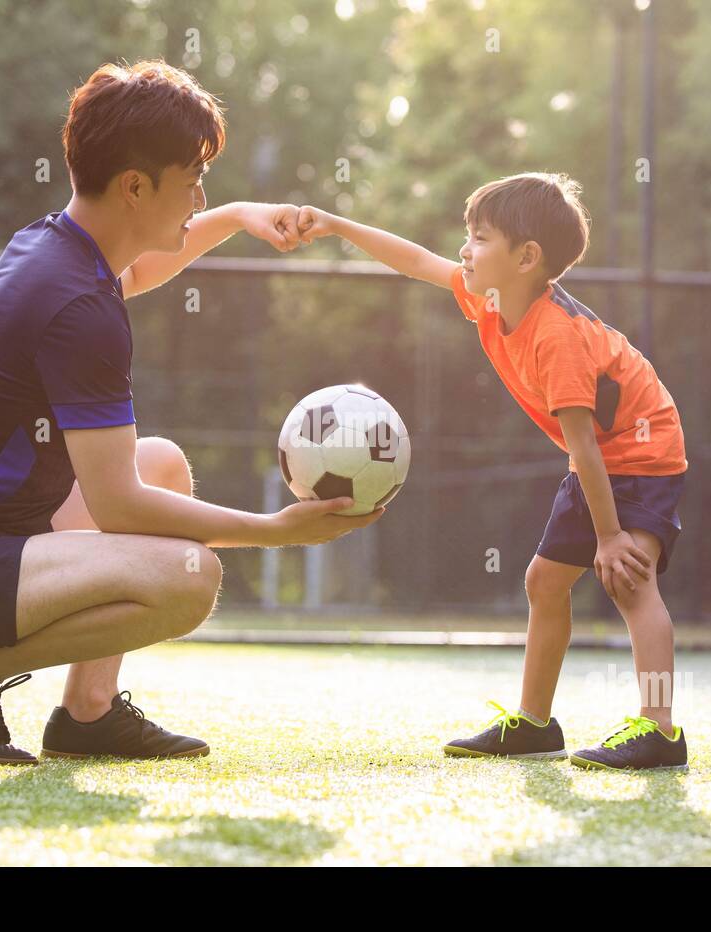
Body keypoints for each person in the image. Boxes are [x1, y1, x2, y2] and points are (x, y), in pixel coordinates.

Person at [0, 60, 383, 766]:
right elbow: (117, 505)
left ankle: (88, 714)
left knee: (164, 464)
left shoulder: (54, 246)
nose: (202, 194)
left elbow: (137, 270)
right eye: (194, 178)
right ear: (136, 187)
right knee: (189, 580)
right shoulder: (79, 306)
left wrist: (234, 218)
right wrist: (273, 532)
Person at [295, 171, 689, 770]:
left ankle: (660, 730)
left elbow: (584, 445)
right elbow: (414, 260)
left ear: (527, 258)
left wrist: (609, 538)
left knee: (630, 579)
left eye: (479, 238)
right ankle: (534, 724)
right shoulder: (490, 298)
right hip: (598, 457)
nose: (464, 249)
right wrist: (336, 224)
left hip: (643, 452)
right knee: (543, 582)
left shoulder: (558, 337)